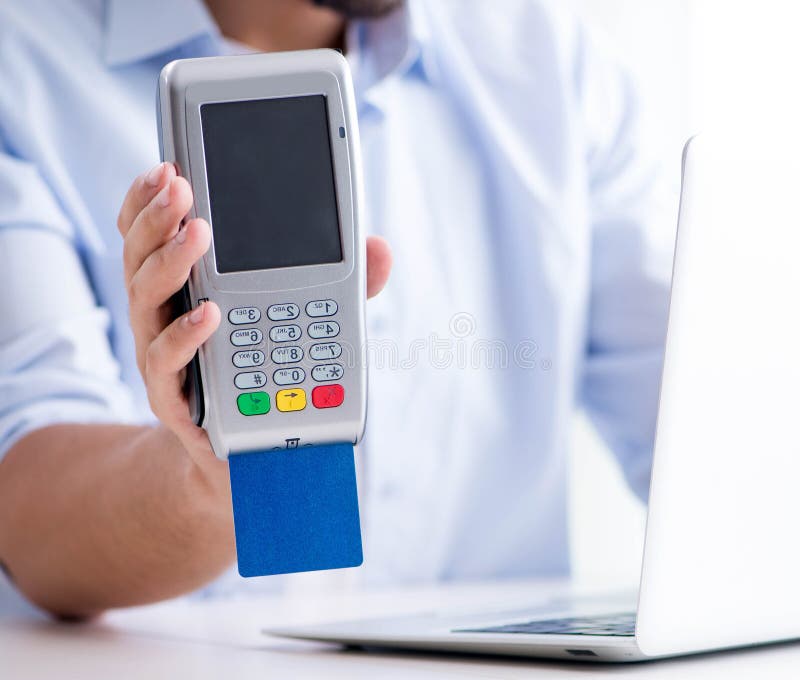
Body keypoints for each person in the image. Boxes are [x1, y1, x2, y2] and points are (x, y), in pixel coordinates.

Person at [0, 0, 674, 618]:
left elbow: (691, 429)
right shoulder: (23, 64)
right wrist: (209, 481)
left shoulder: (550, 59)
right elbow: (27, 507)